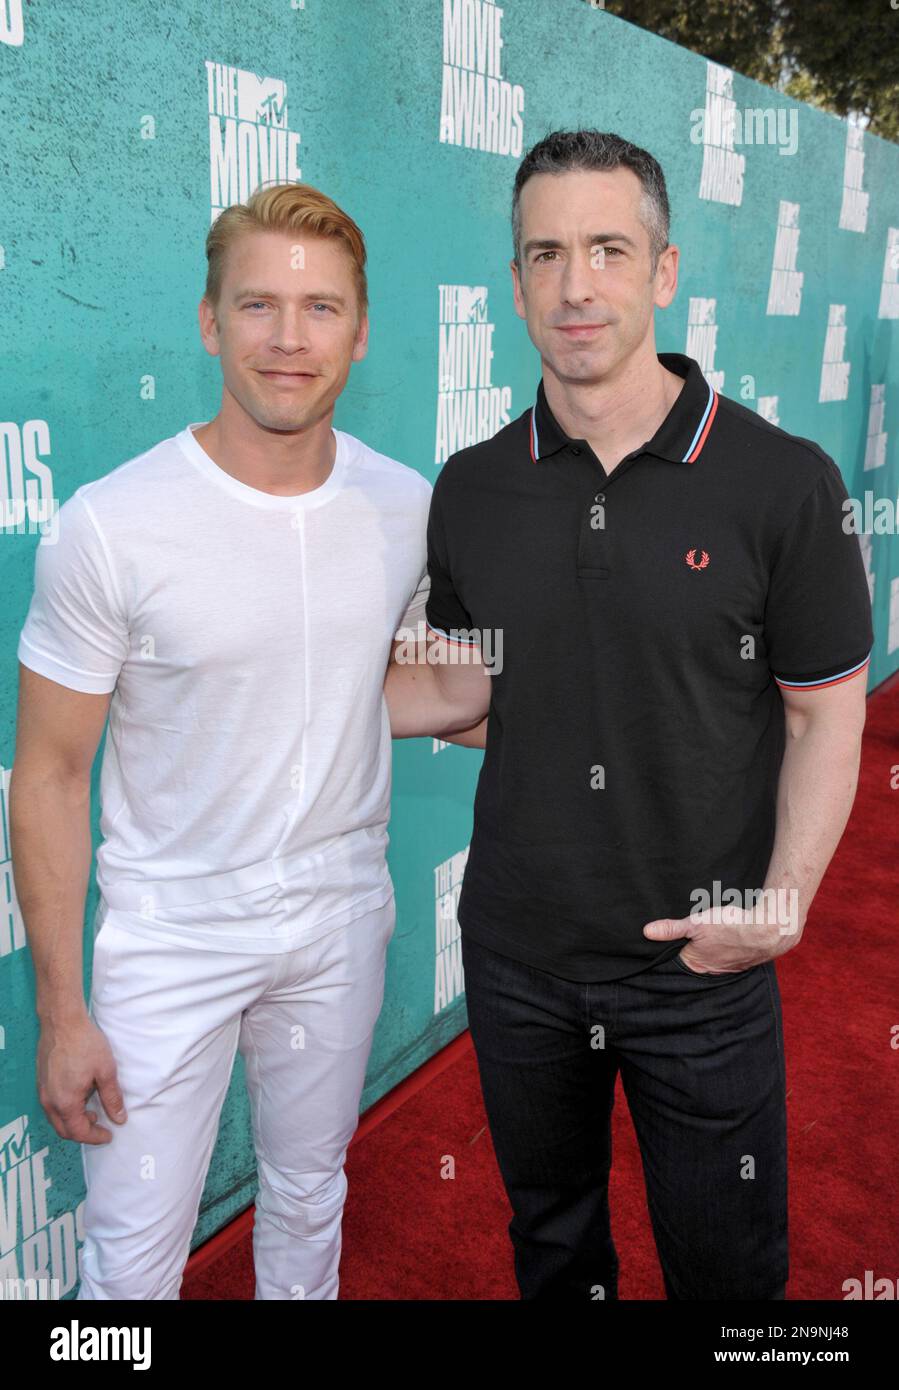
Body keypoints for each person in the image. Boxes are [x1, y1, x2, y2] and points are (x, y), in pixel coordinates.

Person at [385, 129, 874, 1300]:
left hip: (697, 963)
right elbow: (473, 687)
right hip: (517, 961)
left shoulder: (782, 482)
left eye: (608, 248)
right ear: (512, 283)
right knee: (553, 1249)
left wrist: (780, 906)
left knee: (727, 1274)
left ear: (662, 270)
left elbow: (824, 720)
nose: (574, 284)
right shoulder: (471, 485)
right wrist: (266, 686)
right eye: (544, 253)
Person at [11, 181, 485, 1300]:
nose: (288, 337)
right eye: (258, 304)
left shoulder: (404, 505)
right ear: (208, 320)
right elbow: (49, 774)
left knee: (310, 1192)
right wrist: (63, 1011)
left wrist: (613, 710)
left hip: (338, 911)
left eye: (320, 308)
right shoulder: (111, 525)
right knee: (128, 1266)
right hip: (171, 933)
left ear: (361, 332)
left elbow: (400, 685)